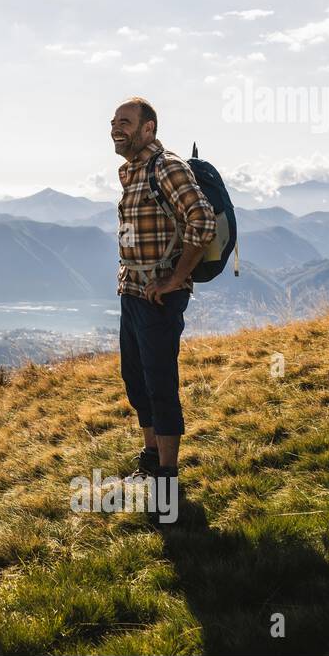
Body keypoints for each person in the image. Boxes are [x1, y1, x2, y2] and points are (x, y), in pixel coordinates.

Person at [109, 97, 216, 488]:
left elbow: (201, 221)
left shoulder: (166, 167)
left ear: (148, 128)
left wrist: (175, 279)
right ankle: (151, 459)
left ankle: (167, 478)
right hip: (133, 291)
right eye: (113, 122)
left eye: (125, 121)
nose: (116, 128)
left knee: (160, 383)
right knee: (136, 379)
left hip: (158, 296)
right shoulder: (132, 172)